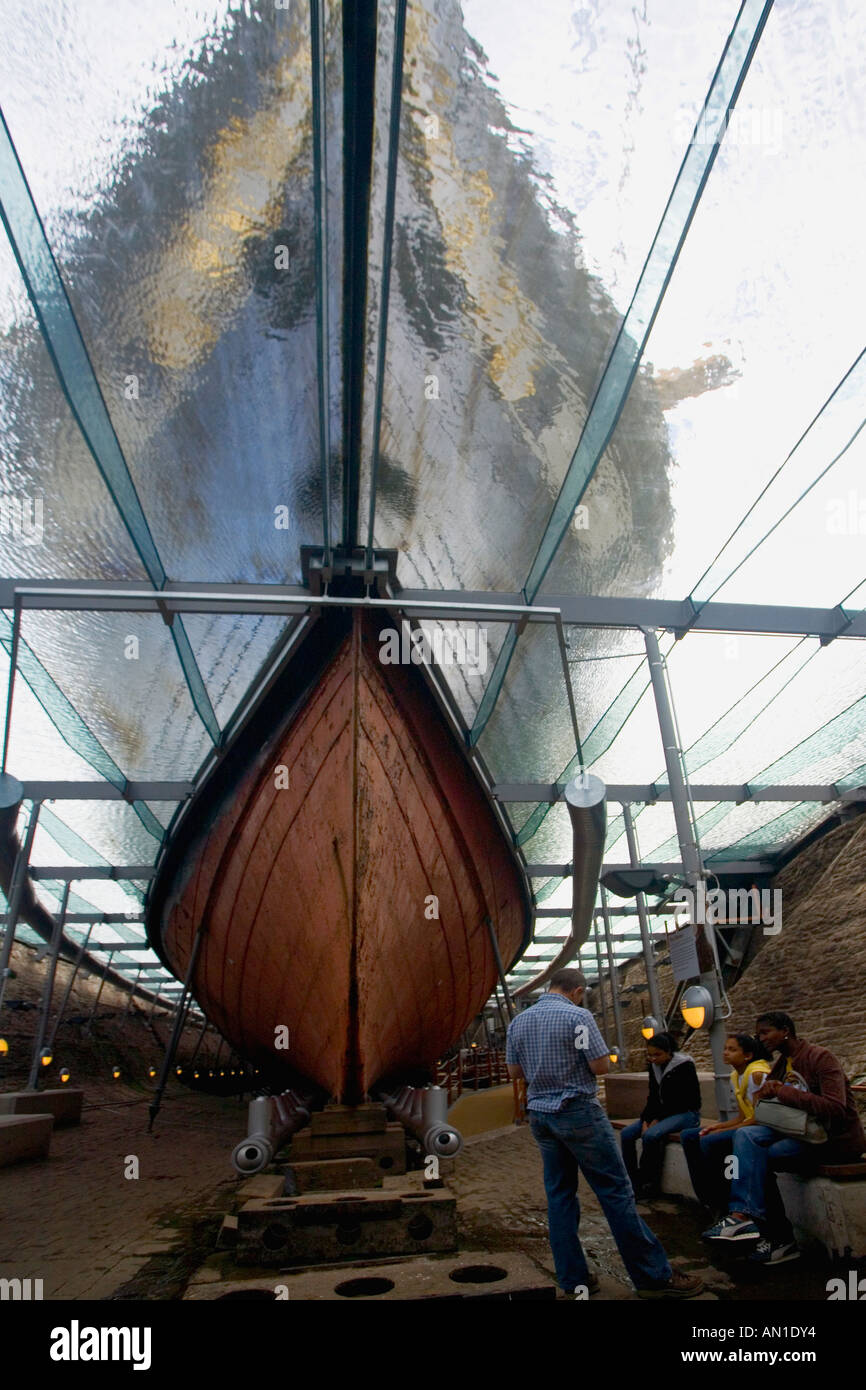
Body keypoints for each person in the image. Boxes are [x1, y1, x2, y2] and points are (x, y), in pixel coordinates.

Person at [506, 968, 703, 1299]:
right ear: (577, 991)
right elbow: (601, 1066)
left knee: (559, 1195)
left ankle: (573, 1279)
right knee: (614, 1191)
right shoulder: (577, 1015)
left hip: (541, 1115)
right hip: (577, 1111)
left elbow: (514, 1072)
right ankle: (653, 1277)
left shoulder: (518, 1021)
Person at [703, 1011, 866, 1265]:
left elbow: (836, 1107)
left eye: (766, 1032)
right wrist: (767, 1093)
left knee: (760, 1158)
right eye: (758, 1034)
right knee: (747, 1136)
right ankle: (741, 1216)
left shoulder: (821, 1058)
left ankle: (780, 1239)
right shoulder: (781, 1064)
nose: (761, 1039)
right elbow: (770, 1105)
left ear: (786, 1030)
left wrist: (784, 1091)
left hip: (833, 1140)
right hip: (799, 1132)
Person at [680, 1033, 772, 1215]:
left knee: (710, 1142)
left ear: (748, 1055)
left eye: (732, 1050)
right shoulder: (736, 1076)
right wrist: (718, 1126)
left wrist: (725, 1130)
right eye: (725, 1049)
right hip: (748, 1124)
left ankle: (723, 1199)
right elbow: (741, 1117)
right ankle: (705, 1196)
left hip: (760, 1127)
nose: (726, 1053)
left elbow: (759, 1117)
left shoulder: (756, 1075)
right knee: (690, 1136)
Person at [620, 1032, 702, 1198]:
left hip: (685, 1113)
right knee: (627, 1134)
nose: (653, 1059)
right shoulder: (654, 1067)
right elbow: (653, 1097)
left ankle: (648, 1181)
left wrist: (657, 1120)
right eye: (650, 1055)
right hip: (662, 1114)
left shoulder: (684, 1066)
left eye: (657, 1054)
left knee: (651, 1136)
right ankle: (632, 1180)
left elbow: (682, 1100)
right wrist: (646, 1119)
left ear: (669, 1052)